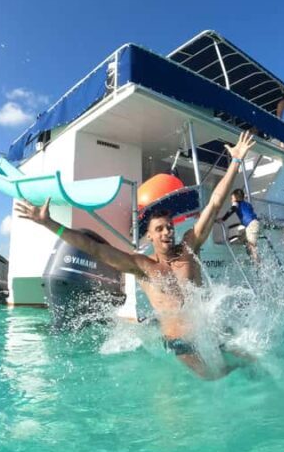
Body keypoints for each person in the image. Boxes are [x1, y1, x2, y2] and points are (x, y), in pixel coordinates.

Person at [15, 130, 256, 380]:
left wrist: (236, 162)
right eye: (159, 229)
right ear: (149, 236)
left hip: (208, 332)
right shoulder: (143, 266)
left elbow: (215, 203)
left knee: (254, 363)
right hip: (180, 343)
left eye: (169, 228)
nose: (166, 233)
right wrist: (50, 223)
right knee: (214, 378)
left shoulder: (188, 249)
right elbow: (94, 248)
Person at [220, 188, 260, 261]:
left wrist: (223, 219)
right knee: (243, 238)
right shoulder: (247, 204)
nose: (231, 200)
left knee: (252, 245)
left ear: (235, 198)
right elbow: (248, 214)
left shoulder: (236, 203)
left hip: (251, 225)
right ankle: (252, 258)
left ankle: (259, 265)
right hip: (253, 224)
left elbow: (232, 209)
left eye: (232, 198)